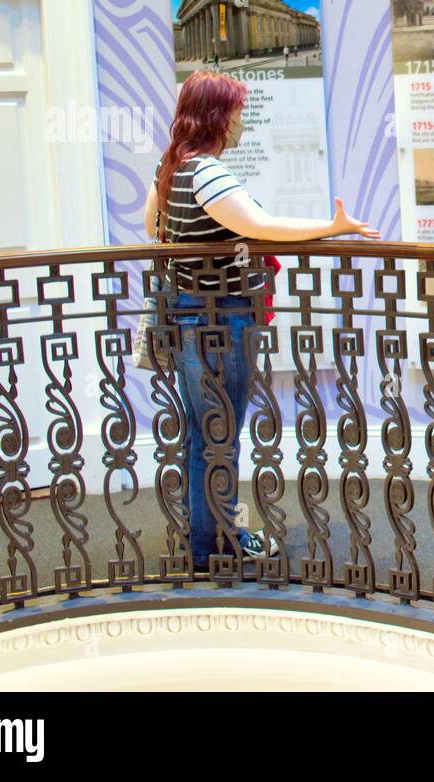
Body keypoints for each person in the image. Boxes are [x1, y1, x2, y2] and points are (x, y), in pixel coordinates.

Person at [144, 70, 380, 572]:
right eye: (236, 112)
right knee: (220, 431)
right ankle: (219, 542)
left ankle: (202, 536)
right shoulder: (206, 170)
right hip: (218, 317)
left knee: (201, 429)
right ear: (217, 117)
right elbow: (260, 227)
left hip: (186, 313)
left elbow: (152, 228)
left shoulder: (168, 167)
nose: (240, 122)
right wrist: (332, 228)